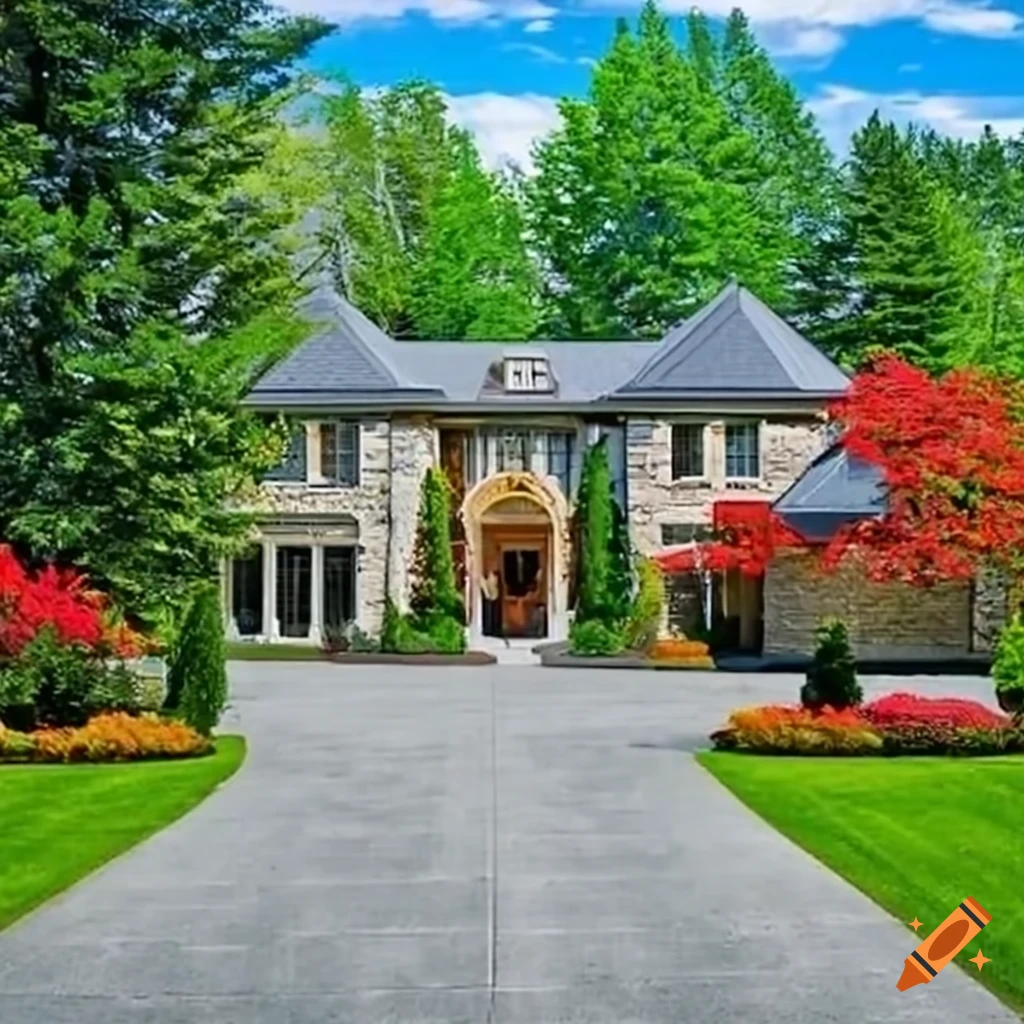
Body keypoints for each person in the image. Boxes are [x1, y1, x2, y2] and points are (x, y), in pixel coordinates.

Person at [481, 569, 500, 636]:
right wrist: (487, 595)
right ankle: (489, 629)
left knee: (492, 615)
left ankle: (491, 629)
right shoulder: (485, 579)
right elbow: (486, 587)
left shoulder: (492, 578)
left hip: (493, 597)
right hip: (489, 597)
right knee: (489, 615)